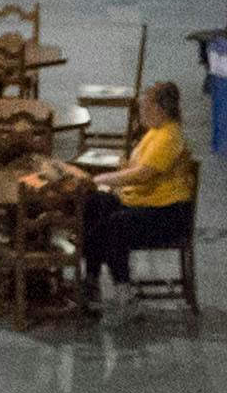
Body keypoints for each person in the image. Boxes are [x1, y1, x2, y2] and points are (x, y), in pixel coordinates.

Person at [82, 79, 200, 273]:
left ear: (159, 109)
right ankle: (91, 278)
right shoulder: (155, 132)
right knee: (95, 205)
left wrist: (102, 179)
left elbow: (143, 174)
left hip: (166, 213)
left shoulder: (169, 136)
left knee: (115, 224)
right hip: (145, 203)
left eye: (146, 107)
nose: (142, 113)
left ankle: (122, 283)